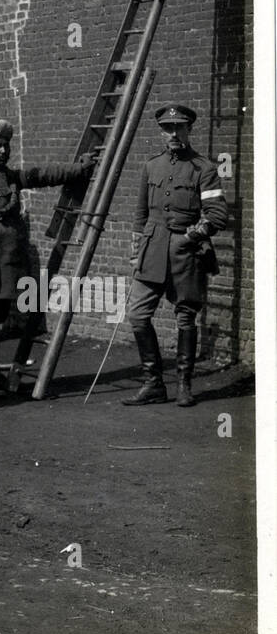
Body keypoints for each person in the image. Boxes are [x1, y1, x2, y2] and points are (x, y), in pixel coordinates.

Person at [0, 120, 95, 399]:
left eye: (6, 144)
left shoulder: (9, 176)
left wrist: (79, 169)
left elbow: (42, 175)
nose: (3, 150)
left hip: (6, 263)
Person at [122, 103, 228, 408]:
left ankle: (184, 384)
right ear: (161, 132)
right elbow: (140, 215)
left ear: (189, 129)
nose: (173, 133)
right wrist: (135, 251)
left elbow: (217, 216)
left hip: (186, 254)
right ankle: (154, 384)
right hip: (152, 251)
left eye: (179, 127)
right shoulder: (151, 166)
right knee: (138, 315)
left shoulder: (204, 169)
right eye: (167, 128)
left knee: (185, 317)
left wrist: (191, 236)